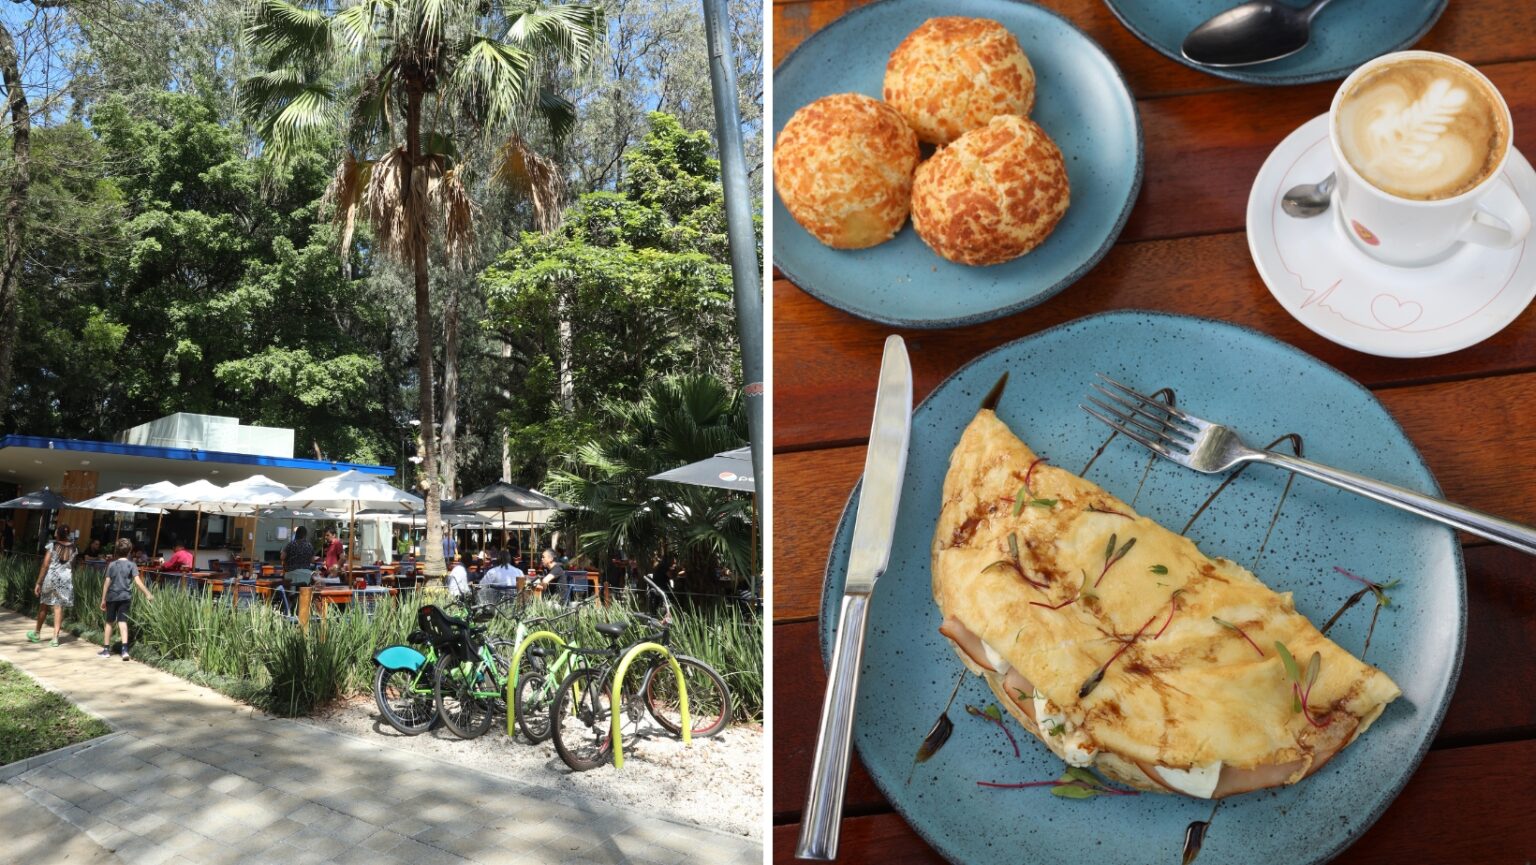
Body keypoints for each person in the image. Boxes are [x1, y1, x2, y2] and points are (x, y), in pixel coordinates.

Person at [99, 538, 153, 661]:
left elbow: (106, 583)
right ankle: (125, 650)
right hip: (125, 597)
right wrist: (147, 593)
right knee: (122, 622)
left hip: (112, 597)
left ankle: (106, 650)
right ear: (129, 551)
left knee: (109, 622)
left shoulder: (111, 564)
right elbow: (138, 582)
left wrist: (103, 599)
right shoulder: (132, 565)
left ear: (116, 551)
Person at [28, 527, 76, 646]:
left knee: (44, 604)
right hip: (65, 579)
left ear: (57, 534)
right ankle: (55, 638)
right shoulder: (74, 548)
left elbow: (45, 565)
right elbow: (72, 565)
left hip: (51, 577)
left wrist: (38, 582)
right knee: (58, 607)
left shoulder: (52, 545)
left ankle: (37, 633)